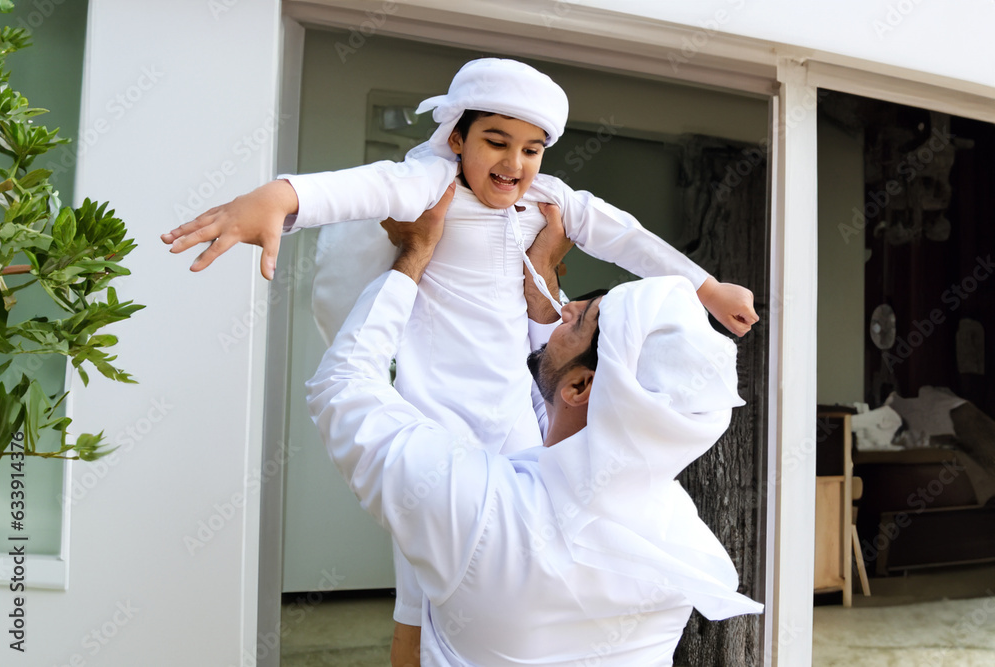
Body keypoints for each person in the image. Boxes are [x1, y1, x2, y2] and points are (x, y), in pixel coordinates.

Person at [161, 57, 759, 663]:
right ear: (456, 138)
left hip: (516, 420)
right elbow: (364, 187)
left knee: (501, 567)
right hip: (436, 416)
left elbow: (625, 236)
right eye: (495, 142)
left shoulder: (546, 200)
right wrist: (279, 197)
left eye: (532, 149)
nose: (514, 164)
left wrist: (705, 288)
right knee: (420, 596)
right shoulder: (432, 184)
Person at [305, 197, 763, 666]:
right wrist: (540, 278)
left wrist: (414, 254)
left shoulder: (477, 510)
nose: (568, 308)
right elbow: (575, 429)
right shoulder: (677, 536)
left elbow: (341, 387)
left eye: (580, 318)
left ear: (582, 386)